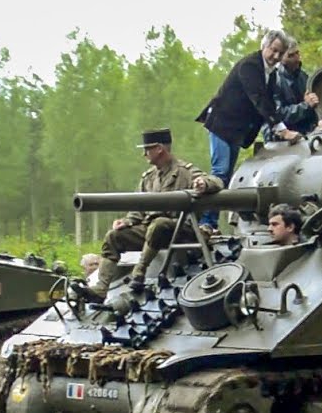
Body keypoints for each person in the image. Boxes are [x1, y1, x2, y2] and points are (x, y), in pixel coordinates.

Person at [82, 129, 223, 300]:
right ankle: (101, 288)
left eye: (147, 149)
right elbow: (138, 207)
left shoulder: (185, 172)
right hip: (152, 231)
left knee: (160, 224)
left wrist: (203, 184)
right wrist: (127, 221)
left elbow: (217, 182)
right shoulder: (148, 178)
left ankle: (139, 271)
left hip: (180, 229)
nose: (144, 154)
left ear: (160, 149)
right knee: (114, 236)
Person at [196, 30, 289, 231]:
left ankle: (211, 222)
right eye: (273, 50)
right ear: (264, 46)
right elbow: (259, 99)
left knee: (226, 176)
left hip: (238, 129)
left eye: (280, 53)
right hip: (222, 123)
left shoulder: (271, 73)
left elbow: (270, 102)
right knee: (219, 173)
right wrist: (279, 127)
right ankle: (207, 222)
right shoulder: (250, 66)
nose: (276, 56)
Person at [266, 39, 322, 143]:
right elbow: (277, 115)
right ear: (280, 58)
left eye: (297, 53)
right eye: (291, 55)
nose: (296, 58)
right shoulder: (273, 80)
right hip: (282, 139)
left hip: (307, 135)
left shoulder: (303, 76)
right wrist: (306, 106)